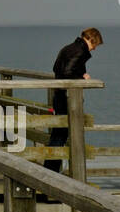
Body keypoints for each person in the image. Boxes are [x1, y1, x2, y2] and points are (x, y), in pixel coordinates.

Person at [44, 27, 103, 173]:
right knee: (61, 134)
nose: (94, 49)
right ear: (91, 39)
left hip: (59, 95)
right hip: (67, 97)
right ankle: (51, 170)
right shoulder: (80, 51)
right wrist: (82, 78)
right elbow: (67, 73)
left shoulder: (68, 48)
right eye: (95, 45)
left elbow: (56, 68)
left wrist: (79, 73)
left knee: (58, 133)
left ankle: (50, 168)